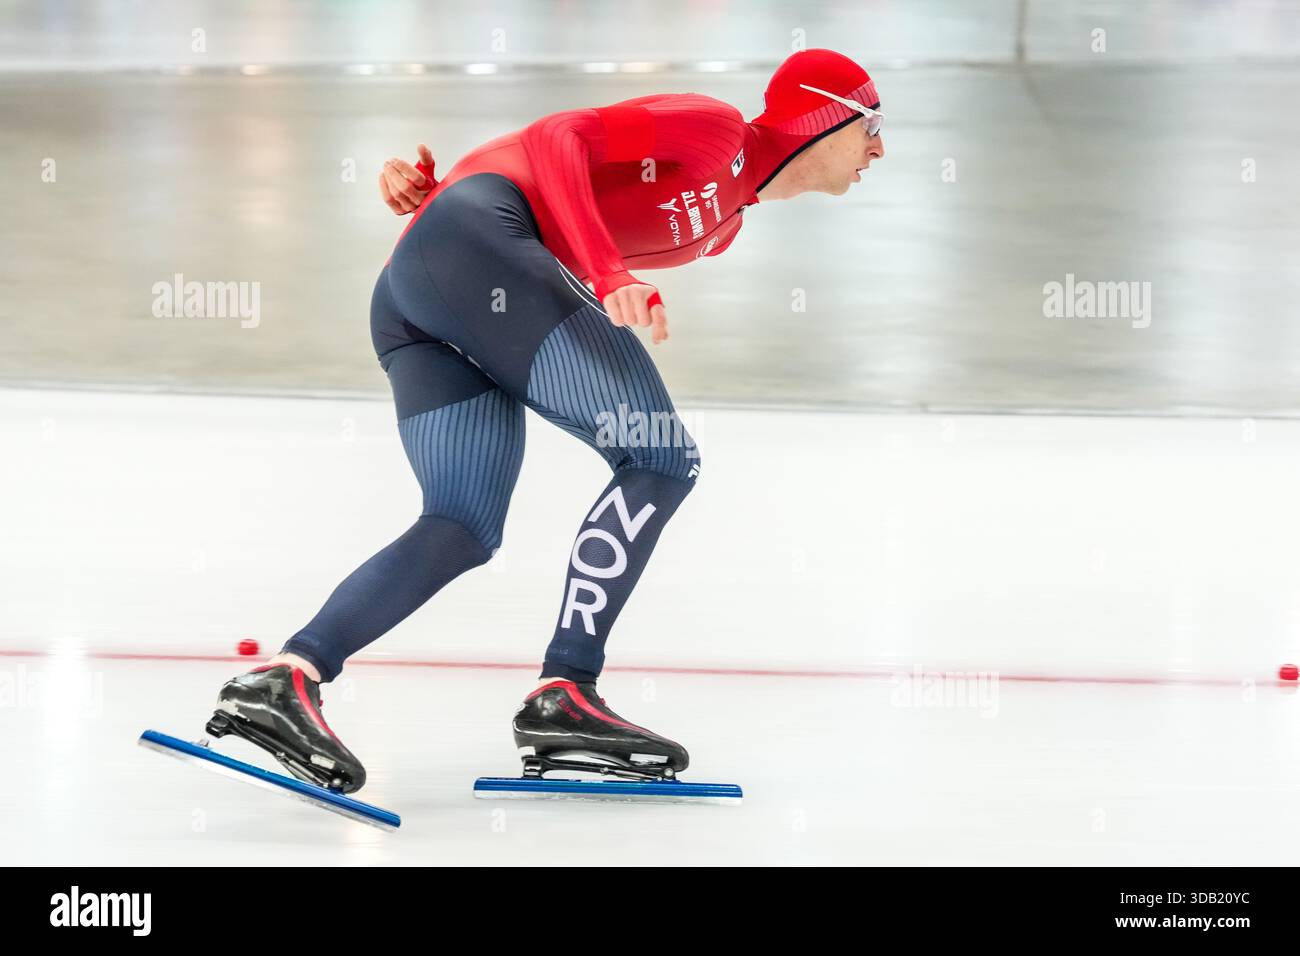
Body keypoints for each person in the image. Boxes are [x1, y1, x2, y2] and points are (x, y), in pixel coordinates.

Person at [205, 49, 885, 792]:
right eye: (870, 126)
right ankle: (565, 690)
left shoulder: (723, 229)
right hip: (466, 249)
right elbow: (561, 137)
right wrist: (603, 269)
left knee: (462, 524)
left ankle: (285, 679)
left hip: (433, 284)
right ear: (822, 119)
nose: (879, 148)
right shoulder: (716, 133)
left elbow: (548, 200)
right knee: (660, 455)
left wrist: (444, 197)